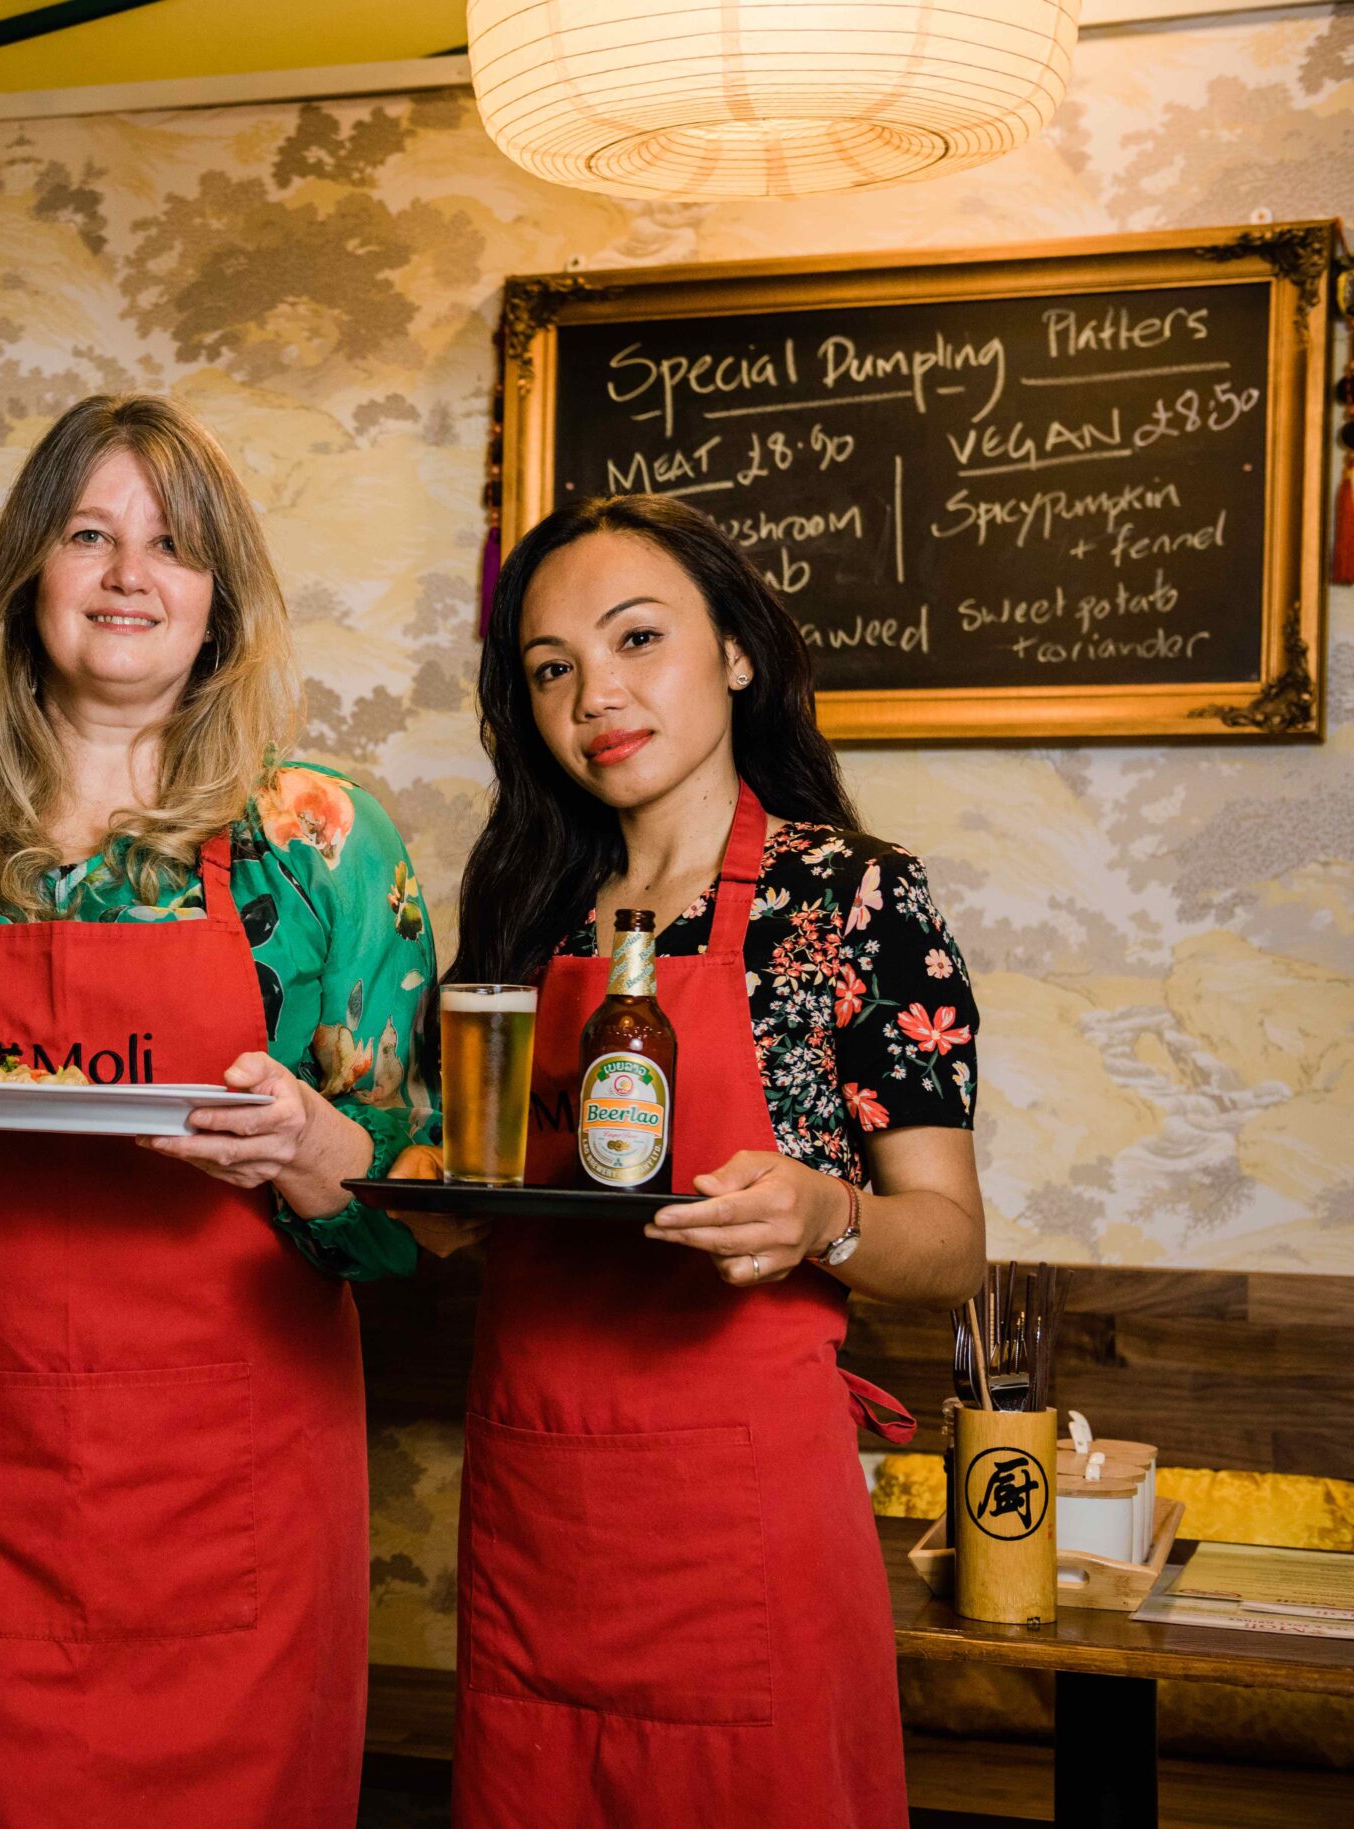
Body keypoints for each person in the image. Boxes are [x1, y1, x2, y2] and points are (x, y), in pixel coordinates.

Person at [0, 394, 438, 1827]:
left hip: (238, 1487)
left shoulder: (318, 840)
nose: (130, 574)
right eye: (88, 534)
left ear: (221, 598)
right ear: (28, 572)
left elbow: (414, 1210)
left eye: (172, 544)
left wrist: (316, 1149)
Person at [410, 494, 986, 1828]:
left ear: (735, 651)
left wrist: (826, 1213)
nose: (594, 695)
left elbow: (951, 1244)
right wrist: (428, 1193)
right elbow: (474, 1186)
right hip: (538, 1515)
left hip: (742, 1525)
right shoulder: (524, 906)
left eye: (636, 639)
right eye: (549, 668)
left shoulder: (849, 901)